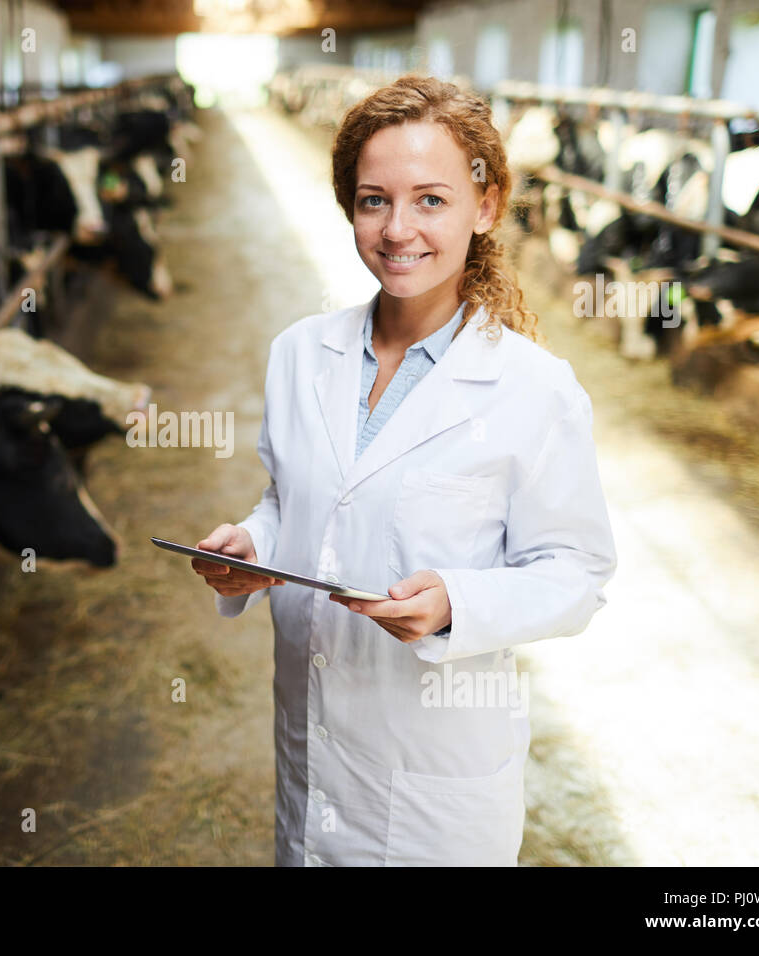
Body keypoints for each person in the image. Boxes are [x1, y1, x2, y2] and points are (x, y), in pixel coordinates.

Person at [192, 74, 617, 866]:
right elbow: (293, 500)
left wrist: (460, 601)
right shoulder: (298, 354)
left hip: (436, 789)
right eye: (373, 200)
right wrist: (255, 544)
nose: (397, 229)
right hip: (311, 757)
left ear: (484, 209)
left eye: (431, 200)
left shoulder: (533, 389)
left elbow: (578, 571)